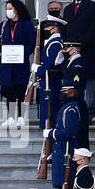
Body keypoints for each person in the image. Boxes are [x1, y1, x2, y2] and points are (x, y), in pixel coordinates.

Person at [0, 0, 36, 127]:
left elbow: (31, 44)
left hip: (20, 64)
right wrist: (0, 53)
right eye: (7, 9)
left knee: (21, 90)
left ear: (17, 9)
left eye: (10, 8)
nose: (8, 11)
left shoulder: (26, 24)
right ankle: (11, 117)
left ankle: (21, 117)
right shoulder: (3, 25)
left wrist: (22, 52)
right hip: (6, 64)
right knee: (9, 91)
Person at [63, 0, 95, 116]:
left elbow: (93, 30)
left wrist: (79, 45)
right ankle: (73, 111)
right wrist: (69, 47)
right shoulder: (67, 9)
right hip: (71, 53)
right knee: (73, 82)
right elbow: (65, 30)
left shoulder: (94, 7)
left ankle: (89, 113)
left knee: (89, 82)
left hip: (87, 50)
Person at [36, 13, 66, 142]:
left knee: (50, 107)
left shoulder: (55, 43)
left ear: (54, 28)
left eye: (48, 28)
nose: (46, 30)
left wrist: (38, 69)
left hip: (51, 80)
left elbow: (49, 64)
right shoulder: (54, 42)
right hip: (48, 80)